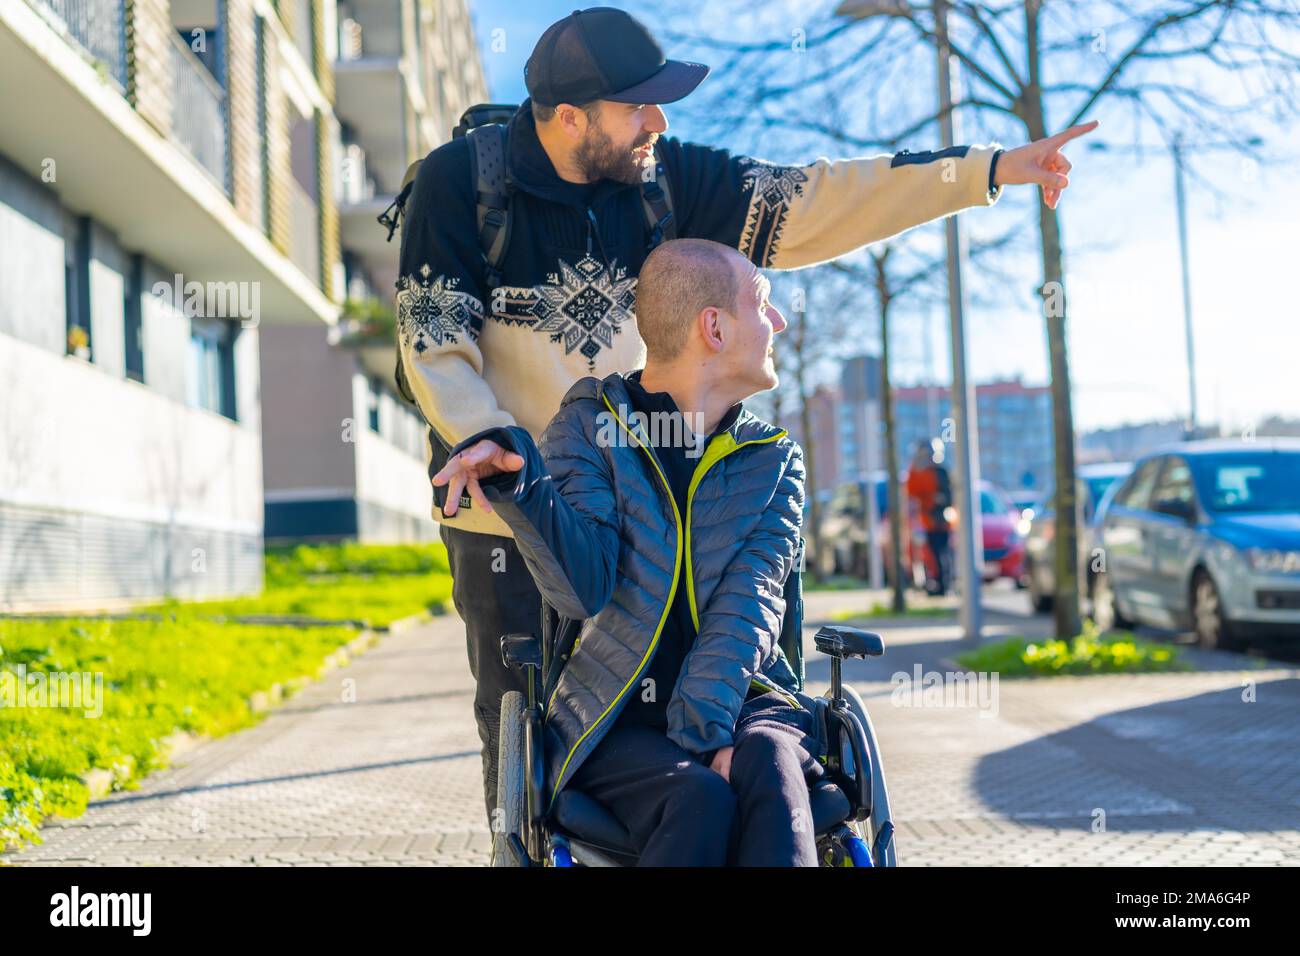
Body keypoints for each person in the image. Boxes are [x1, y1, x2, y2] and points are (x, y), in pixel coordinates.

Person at [396, 5, 1097, 820]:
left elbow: (818, 198)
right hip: (508, 518)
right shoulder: (459, 183)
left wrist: (992, 169)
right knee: (522, 740)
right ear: (568, 117)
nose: (660, 121)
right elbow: (434, 342)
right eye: (639, 106)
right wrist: (495, 446)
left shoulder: (667, 180)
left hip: (640, 512)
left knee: (657, 733)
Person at [433, 239, 823, 866]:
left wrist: (706, 731)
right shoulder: (590, 426)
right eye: (764, 303)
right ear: (714, 327)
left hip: (742, 700)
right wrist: (524, 484)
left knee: (774, 772)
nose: (778, 322)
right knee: (699, 798)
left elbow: (747, 603)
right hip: (614, 720)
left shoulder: (774, 460)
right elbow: (582, 589)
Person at [907, 439, 952, 596]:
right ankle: (930, 582)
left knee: (941, 554)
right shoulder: (918, 472)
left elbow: (947, 497)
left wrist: (937, 501)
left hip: (939, 521)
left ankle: (943, 585)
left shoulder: (940, 473)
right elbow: (911, 492)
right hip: (924, 520)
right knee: (927, 554)